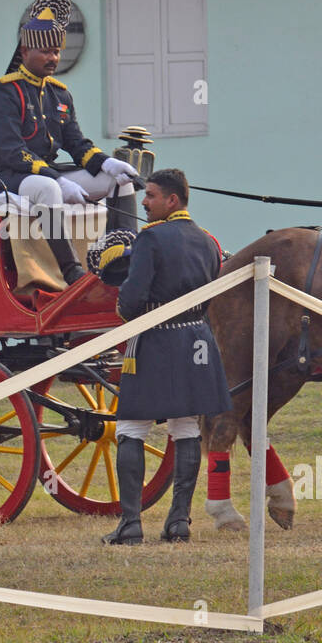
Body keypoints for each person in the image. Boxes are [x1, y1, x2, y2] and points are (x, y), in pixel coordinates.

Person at [102, 168, 231, 545]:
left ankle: (130, 524)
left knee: (131, 428)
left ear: (172, 200)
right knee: (187, 428)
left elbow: (130, 301)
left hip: (155, 341)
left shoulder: (150, 239)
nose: (144, 201)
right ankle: (178, 522)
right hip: (197, 340)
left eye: (152, 195)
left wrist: (127, 310)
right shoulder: (208, 242)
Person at [0, 0, 138, 282]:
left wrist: (108, 163)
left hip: (47, 173)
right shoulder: (3, 92)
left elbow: (77, 144)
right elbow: (12, 151)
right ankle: (72, 271)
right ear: (26, 51)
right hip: (9, 175)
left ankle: (119, 256)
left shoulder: (60, 94)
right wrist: (58, 179)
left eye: (56, 51)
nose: (52, 58)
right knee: (49, 189)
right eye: (45, 51)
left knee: (117, 182)